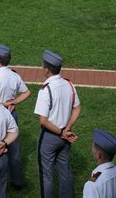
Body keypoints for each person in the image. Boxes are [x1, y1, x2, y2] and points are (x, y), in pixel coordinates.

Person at [34, 50, 81, 198]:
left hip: (49, 137)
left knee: (46, 175)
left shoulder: (46, 89)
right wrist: (67, 128)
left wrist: (61, 132)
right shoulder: (69, 84)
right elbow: (77, 107)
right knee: (65, 171)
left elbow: (43, 120)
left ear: (46, 69)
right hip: (65, 136)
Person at [0, 43, 31, 190]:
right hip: (11, 114)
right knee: (14, 148)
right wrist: (14, 101)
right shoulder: (15, 75)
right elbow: (27, 93)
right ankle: (17, 181)